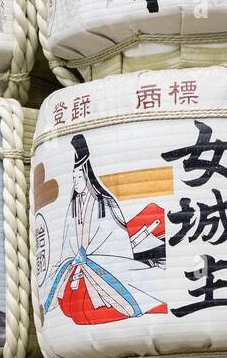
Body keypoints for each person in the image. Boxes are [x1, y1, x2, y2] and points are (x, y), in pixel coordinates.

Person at [42, 134, 167, 325]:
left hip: (101, 263)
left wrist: (87, 258)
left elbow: (113, 239)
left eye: (78, 177)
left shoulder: (104, 204)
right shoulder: (73, 208)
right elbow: (68, 242)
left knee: (90, 305)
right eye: (73, 178)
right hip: (78, 266)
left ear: (86, 175)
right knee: (68, 303)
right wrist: (68, 261)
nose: (75, 182)